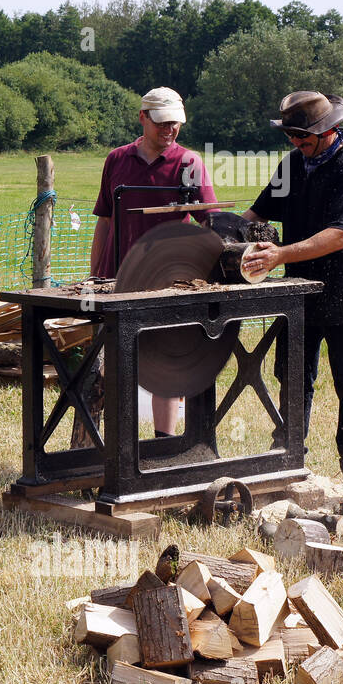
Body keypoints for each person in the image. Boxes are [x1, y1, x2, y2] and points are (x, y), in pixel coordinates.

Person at [241, 91, 343, 475]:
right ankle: (286, 456)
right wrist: (222, 230)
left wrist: (279, 255)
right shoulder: (293, 165)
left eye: (302, 137)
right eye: (290, 136)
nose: (295, 143)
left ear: (329, 130)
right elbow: (257, 212)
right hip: (299, 293)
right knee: (292, 376)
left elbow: (339, 235)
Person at [89, 87, 217, 437]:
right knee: (116, 367)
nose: (169, 130)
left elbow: (210, 221)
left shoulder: (189, 163)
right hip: (117, 280)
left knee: (166, 367)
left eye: (175, 123)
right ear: (143, 117)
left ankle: (166, 445)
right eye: (162, 123)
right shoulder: (116, 160)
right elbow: (105, 219)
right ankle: (118, 446)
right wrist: (95, 274)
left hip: (168, 283)